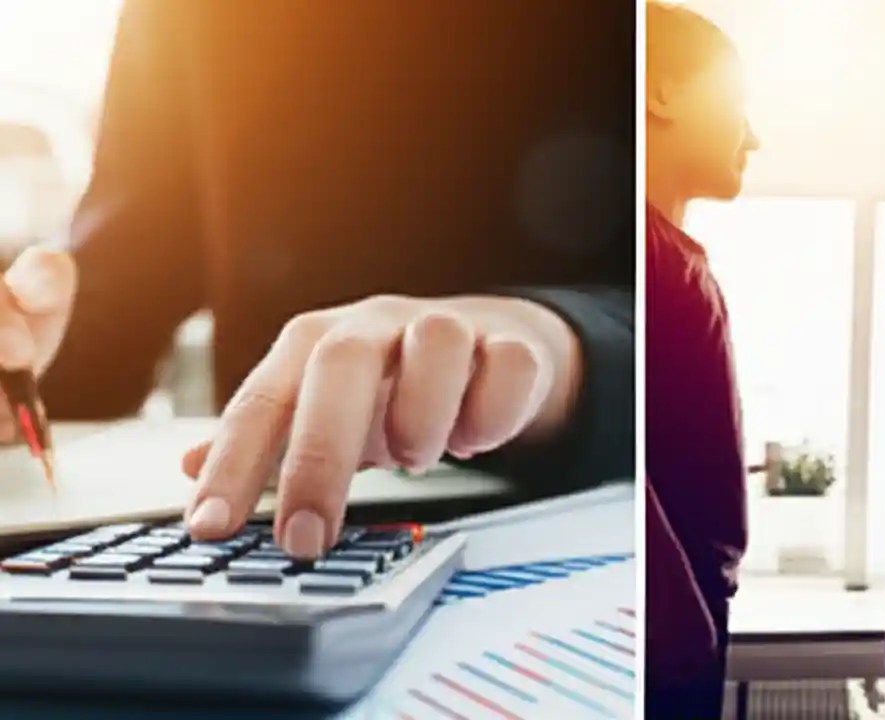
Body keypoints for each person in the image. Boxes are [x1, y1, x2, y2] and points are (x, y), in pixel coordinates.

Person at [0, 0, 635, 560]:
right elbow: (112, 306)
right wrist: (21, 340)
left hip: (574, 529)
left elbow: (680, 328)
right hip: (257, 532)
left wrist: (554, 346)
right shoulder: (187, 14)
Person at [645, 2, 759, 717]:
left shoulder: (676, 257)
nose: (756, 136)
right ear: (661, 92)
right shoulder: (643, 249)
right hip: (671, 613)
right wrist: (672, 601)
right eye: (740, 106)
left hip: (696, 597)